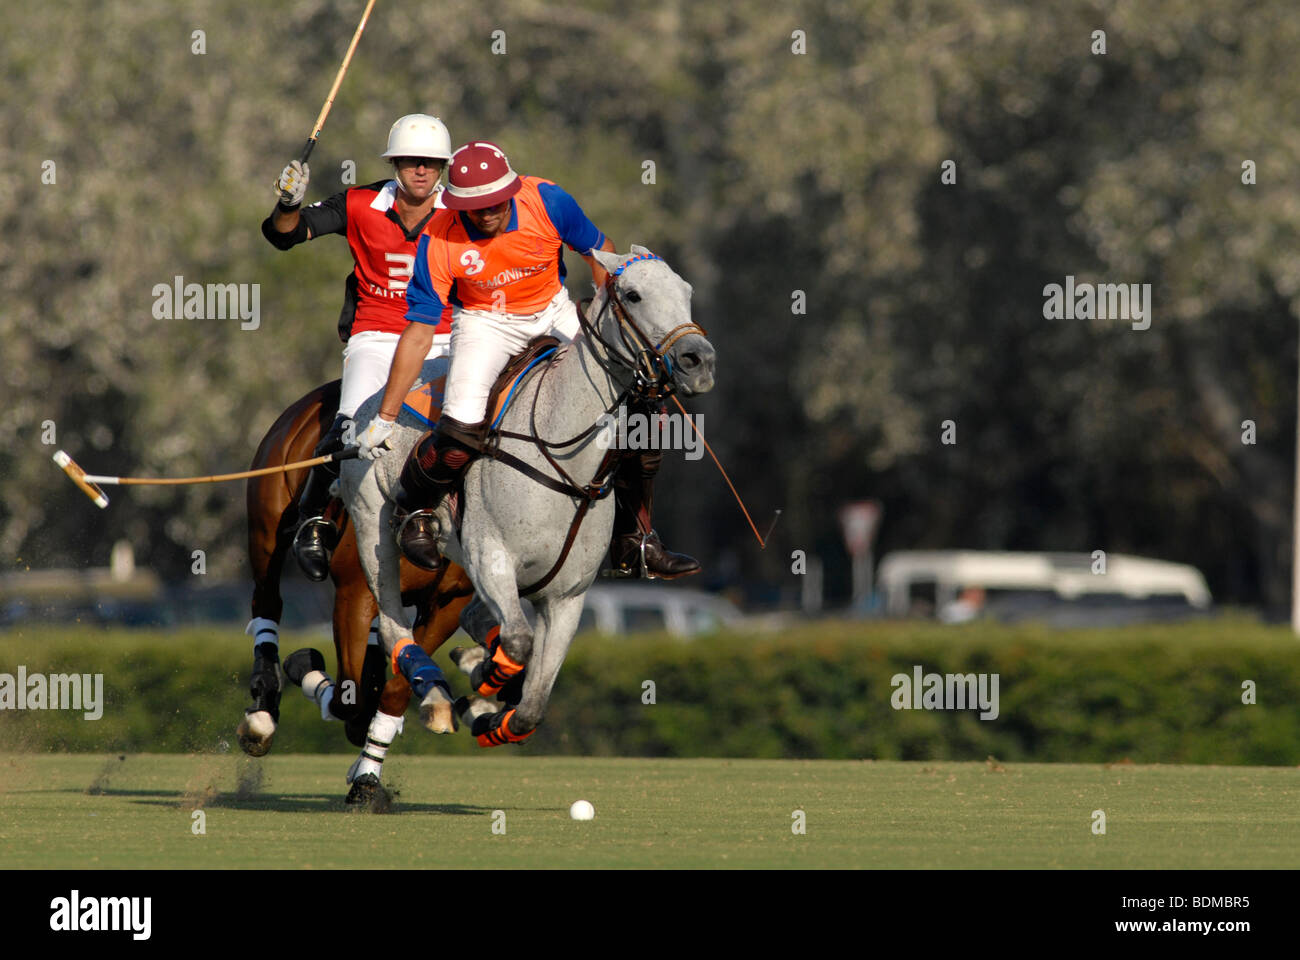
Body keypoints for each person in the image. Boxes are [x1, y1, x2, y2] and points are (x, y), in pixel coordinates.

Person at [355, 141, 699, 579]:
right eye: (475, 207)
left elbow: (600, 251)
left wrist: (606, 310)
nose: (487, 213)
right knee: (460, 428)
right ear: (458, 203)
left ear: (510, 190)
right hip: (484, 322)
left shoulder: (548, 201)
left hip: (551, 311)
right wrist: (385, 417)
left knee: (643, 418)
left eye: (495, 203)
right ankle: (413, 509)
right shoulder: (438, 237)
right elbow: (421, 330)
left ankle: (637, 538)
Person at [260, 114, 455, 580]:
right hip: (378, 332)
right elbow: (283, 235)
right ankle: (316, 520)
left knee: (463, 431)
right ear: (395, 164)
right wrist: (288, 202)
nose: (421, 171)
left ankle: (427, 518)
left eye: (430, 163)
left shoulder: (463, 211)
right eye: (411, 162)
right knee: (351, 425)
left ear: (443, 167)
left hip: (444, 336)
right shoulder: (360, 202)